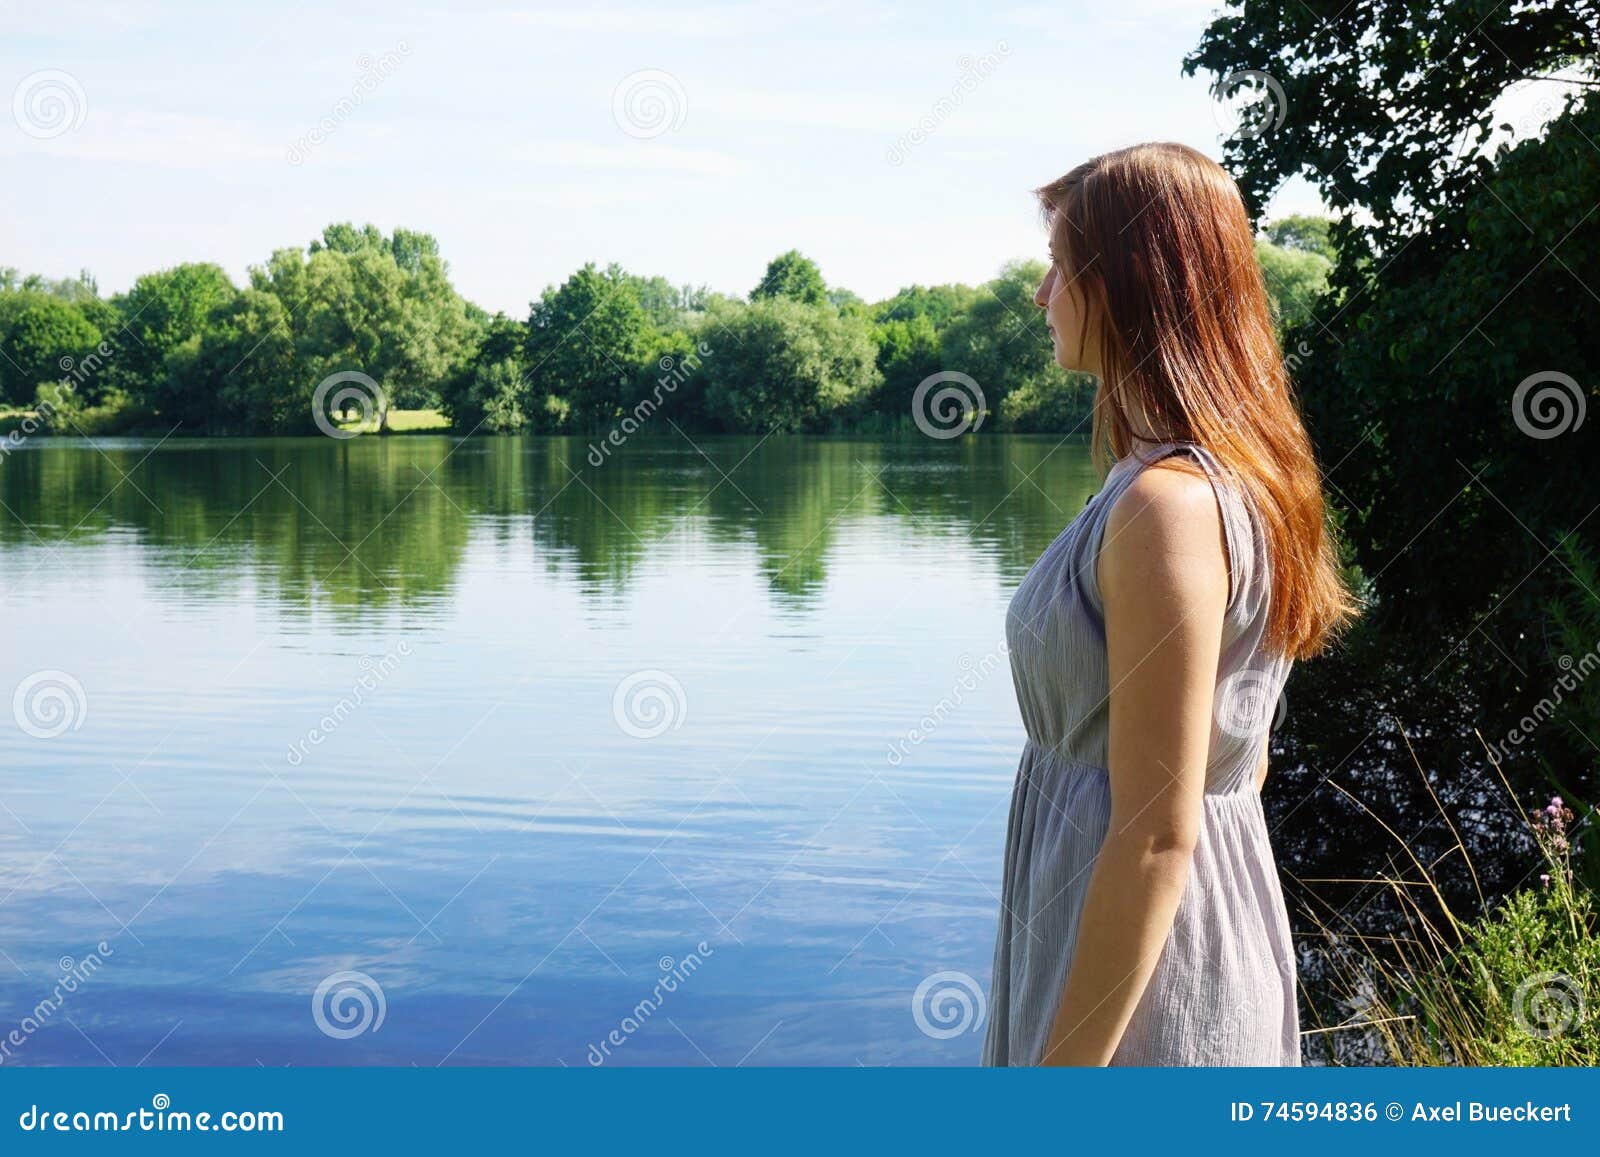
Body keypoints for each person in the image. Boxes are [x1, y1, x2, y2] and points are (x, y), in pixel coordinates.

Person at [981, 142, 1359, 1066]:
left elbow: (1156, 832)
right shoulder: (1209, 483)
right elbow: (1244, 765)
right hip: (1144, 945)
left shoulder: (1167, 507)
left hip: (1141, 996)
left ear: (1121, 286)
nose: (1040, 295)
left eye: (1059, 269)